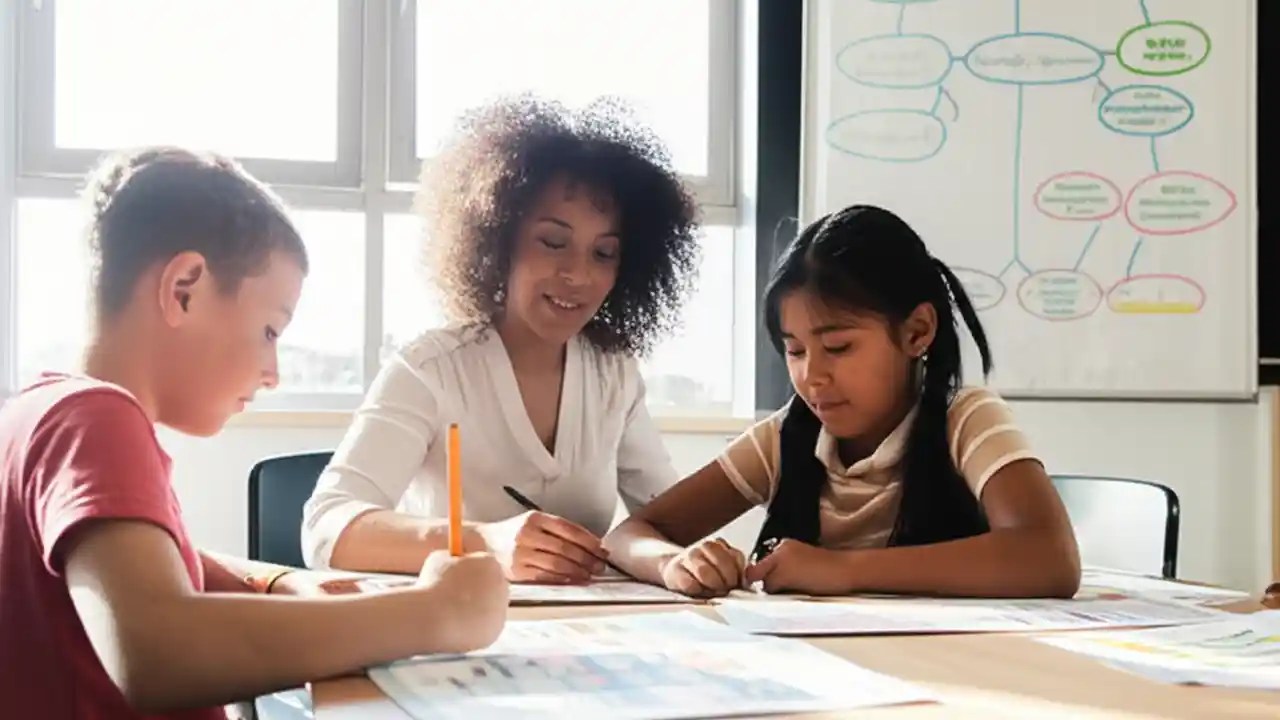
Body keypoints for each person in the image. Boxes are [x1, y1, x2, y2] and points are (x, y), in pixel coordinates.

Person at [0, 147, 508, 719]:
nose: (274, 373)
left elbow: (158, 559)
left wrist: (276, 583)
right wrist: (436, 613)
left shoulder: (36, 413)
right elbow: (159, 652)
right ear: (183, 288)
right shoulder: (96, 420)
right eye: (270, 330)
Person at [302, 95, 701, 585]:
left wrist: (680, 559)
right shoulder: (430, 369)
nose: (578, 273)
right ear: (497, 240)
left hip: (585, 637)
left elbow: (669, 520)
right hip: (452, 635)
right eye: (553, 242)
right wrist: (484, 543)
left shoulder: (613, 373)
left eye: (604, 253)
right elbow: (325, 529)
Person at [604, 205, 1082, 598]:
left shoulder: (965, 419)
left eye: (838, 348)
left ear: (917, 332)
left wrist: (844, 569)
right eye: (795, 350)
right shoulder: (785, 438)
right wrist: (674, 563)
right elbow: (629, 535)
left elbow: (1049, 558)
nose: (811, 375)